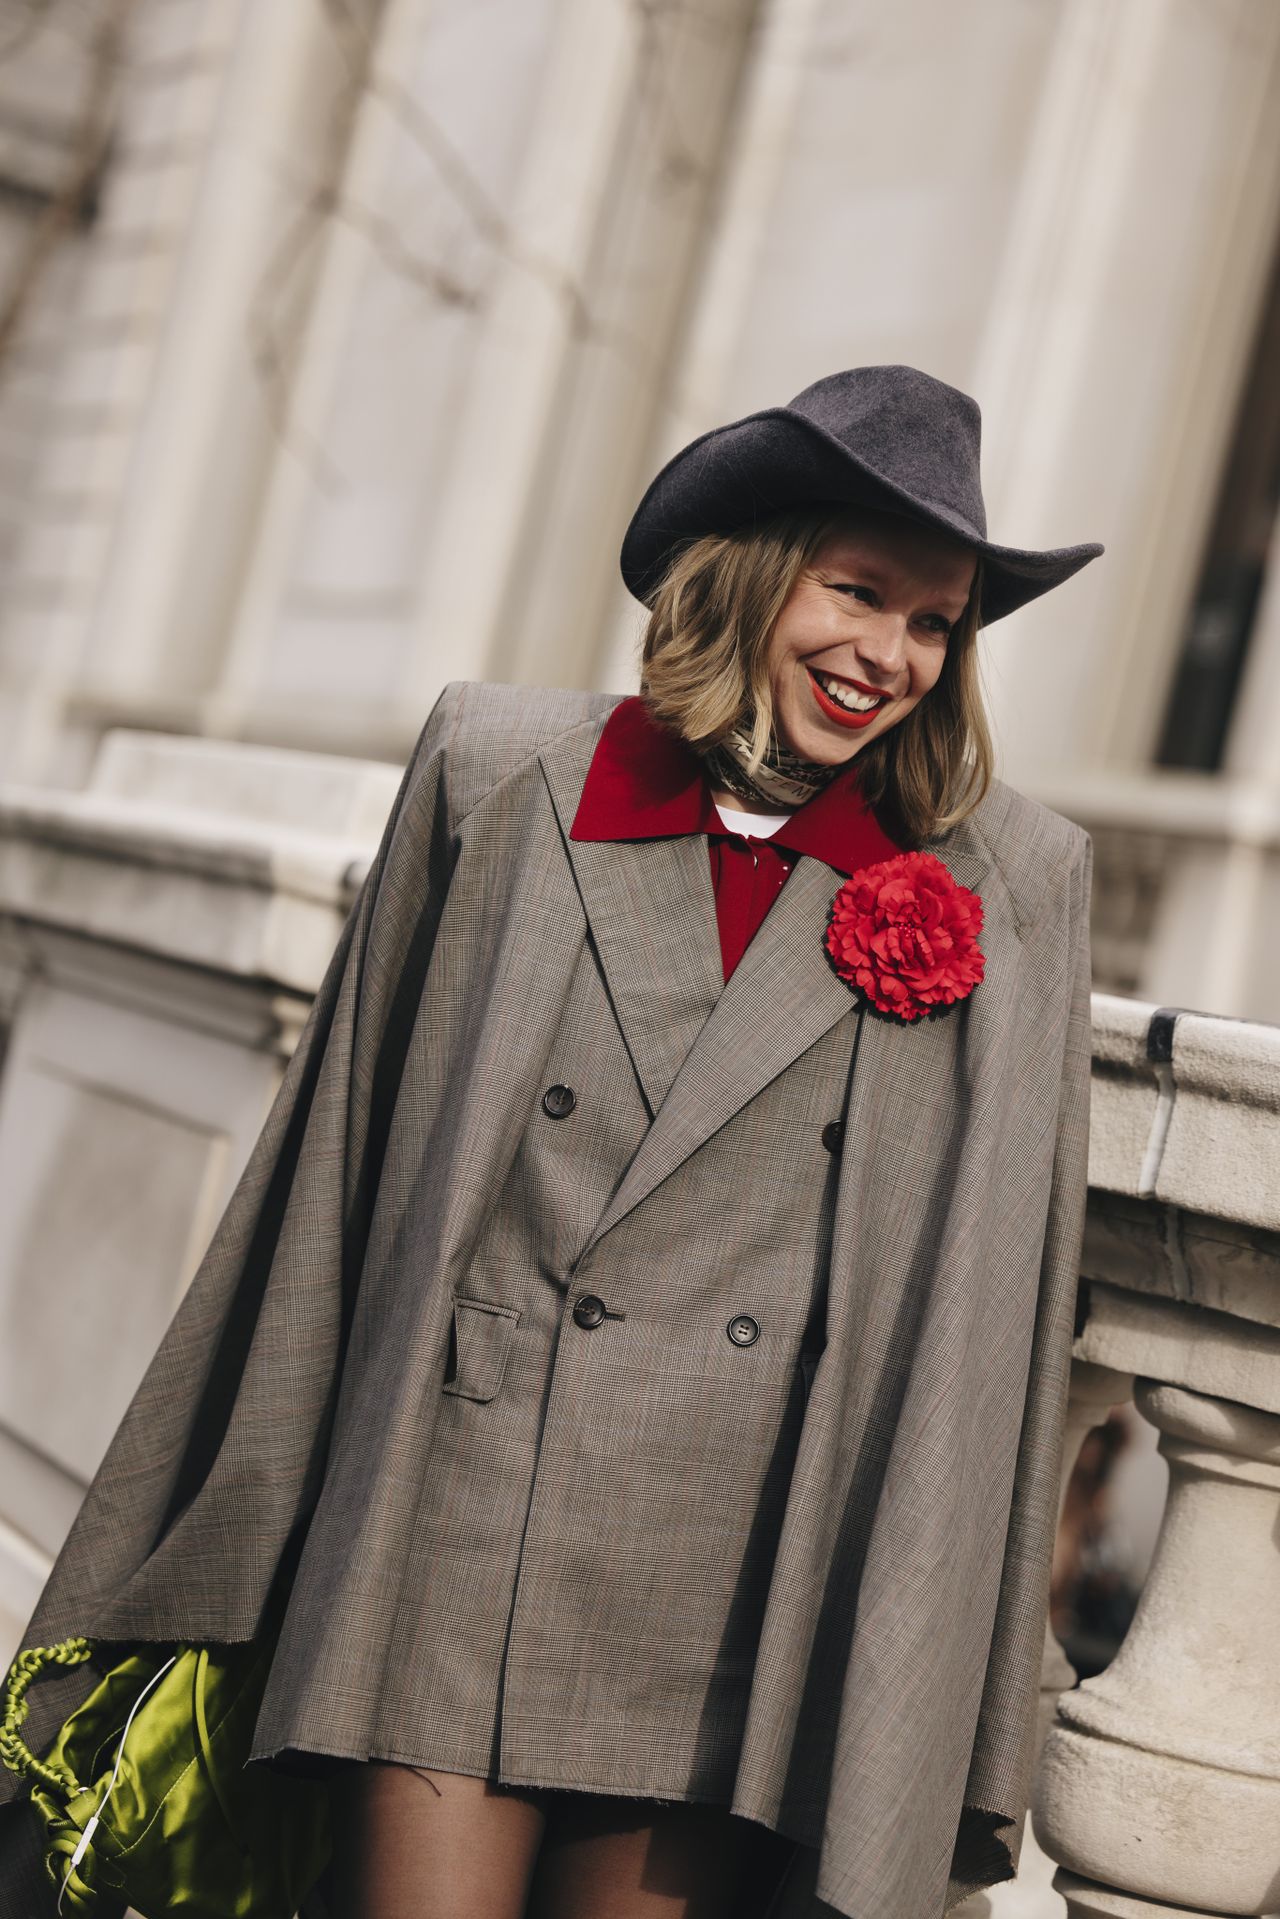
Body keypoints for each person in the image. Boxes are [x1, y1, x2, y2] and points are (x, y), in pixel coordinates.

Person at [0, 366, 1103, 1919]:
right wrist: (233, 1535)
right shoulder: (499, 771)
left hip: (732, 1576)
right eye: (857, 593)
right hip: (452, 1519)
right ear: (753, 573)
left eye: (936, 622)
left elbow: (995, 1318)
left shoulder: (1007, 881)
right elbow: (331, 1175)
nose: (889, 657)